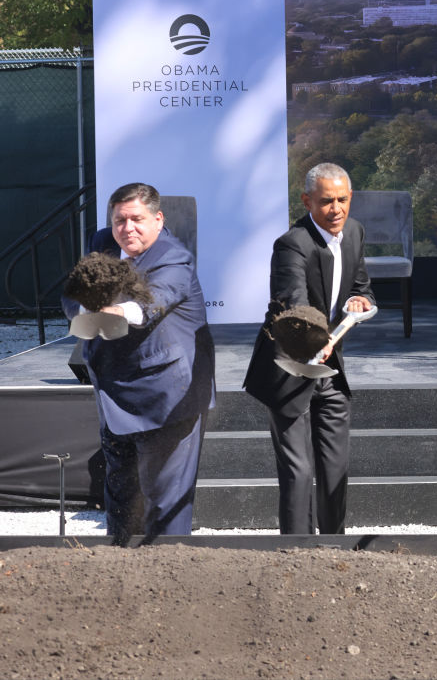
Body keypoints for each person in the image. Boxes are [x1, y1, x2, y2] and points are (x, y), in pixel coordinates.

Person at [62, 183, 216, 544]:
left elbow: (159, 298)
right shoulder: (101, 242)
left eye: (137, 219)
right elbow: (72, 292)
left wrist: (119, 311)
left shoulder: (173, 257)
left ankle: (168, 573)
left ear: (158, 219)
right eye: (120, 220)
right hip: (114, 390)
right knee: (121, 495)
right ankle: (120, 570)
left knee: (165, 501)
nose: (127, 228)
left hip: (167, 397)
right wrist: (87, 308)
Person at [243, 163, 374, 534]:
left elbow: (361, 286)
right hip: (289, 369)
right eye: (326, 201)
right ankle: (297, 554)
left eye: (343, 200)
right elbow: (295, 307)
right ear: (307, 201)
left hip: (331, 373)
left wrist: (360, 300)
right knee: (299, 473)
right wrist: (318, 340)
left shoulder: (354, 233)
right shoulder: (291, 244)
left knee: (334, 471)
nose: (336, 209)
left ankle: (335, 549)